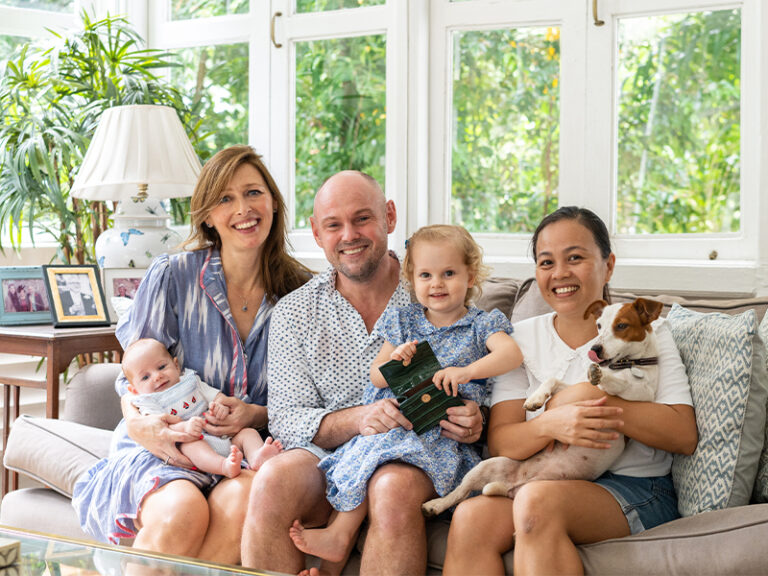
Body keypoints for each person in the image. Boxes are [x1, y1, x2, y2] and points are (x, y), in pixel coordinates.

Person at [72, 145, 311, 562]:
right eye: (225, 198)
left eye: (254, 192)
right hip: (166, 446)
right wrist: (142, 425)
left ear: (272, 201)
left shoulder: (303, 292)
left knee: (250, 498)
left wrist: (253, 415)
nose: (244, 209)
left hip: (244, 453)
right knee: (182, 508)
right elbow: (130, 376)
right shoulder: (173, 276)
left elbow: (312, 401)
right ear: (207, 215)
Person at [242, 172, 485, 575]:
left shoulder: (435, 290)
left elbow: (489, 388)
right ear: (318, 235)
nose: (349, 235)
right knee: (272, 480)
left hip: (416, 454)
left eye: (362, 219)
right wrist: (359, 419)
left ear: (389, 216)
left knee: (391, 486)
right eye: (334, 225)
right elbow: (285, 419)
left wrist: (476, 420)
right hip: (326, 457)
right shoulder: (294, 312)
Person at [443, 206, 698, 575]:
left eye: (575, 258)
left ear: (608, 264)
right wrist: (551, 424)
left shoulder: (648, 334)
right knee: (470, 517)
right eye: (546, 262)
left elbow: (683, 433)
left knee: (536, 502)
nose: (560, 273)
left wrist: (587, 400)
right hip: (546, 475)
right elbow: (502, 443)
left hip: (634, 487)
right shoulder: (519, 339)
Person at [287, 224, 523, 567]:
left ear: (470, 276)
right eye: (425, 275)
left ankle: (339, 535)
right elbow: (375, 374)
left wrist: (467, 372)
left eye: (449, 273)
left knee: (382, 457)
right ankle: (338, 543)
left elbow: (510, 355)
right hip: (397, 421)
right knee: (371, 453)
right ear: (412, 280)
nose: (437, 284)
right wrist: (395, 361)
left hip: (440, 436)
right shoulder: (405, 321)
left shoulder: (481, 325)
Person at [121, 338, 283, 477]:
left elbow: (217, 397)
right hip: (193, 441)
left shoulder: (191, 381)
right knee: (191, 445)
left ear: (176, 365)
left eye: (162, 367)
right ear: (134, 390)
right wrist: (185, 427)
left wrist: (221, 407)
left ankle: (256, 457)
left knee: (248, 433)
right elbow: (161, 427)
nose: (157, 376)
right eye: (145, 377)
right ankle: (223, 466)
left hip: (224, 436)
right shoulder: (149, 402)